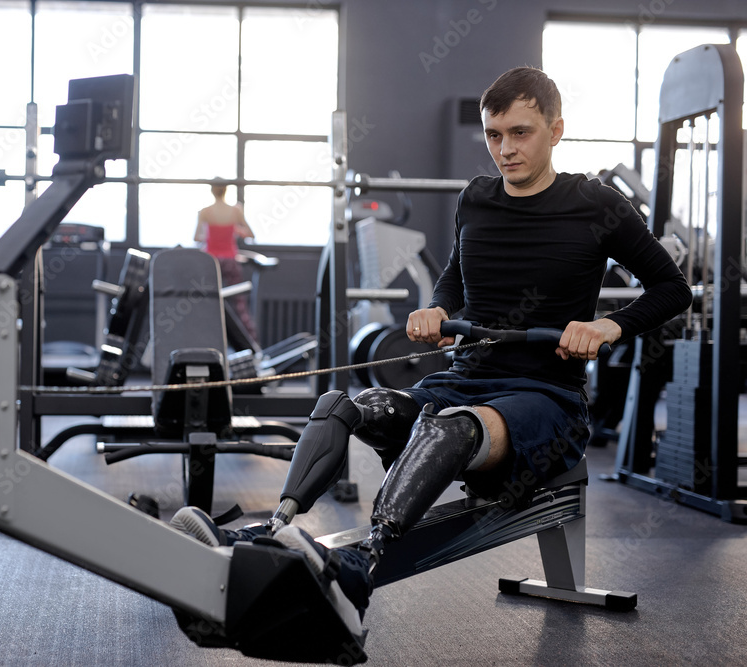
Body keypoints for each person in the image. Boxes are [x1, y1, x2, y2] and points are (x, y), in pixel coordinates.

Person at [172, 67, 692, 624]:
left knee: (448, 426)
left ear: (556, 129)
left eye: (520, 133)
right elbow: (454, 277)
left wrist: (608, 326)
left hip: (545, 399)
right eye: (494, 135)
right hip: (463, 379)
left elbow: (672, 289)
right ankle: (265, 532)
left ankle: (358, 572)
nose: (505, 150)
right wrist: (439, 310)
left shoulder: (597, 204)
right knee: (344, 405)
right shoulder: (477, 198)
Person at [194, 180, 258, 341]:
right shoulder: (235, 211)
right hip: (230, 261)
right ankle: (250, 343)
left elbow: (196, 238)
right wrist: (234, 229)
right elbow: (250, 234)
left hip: (211, 262)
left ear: (212, 191)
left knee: (205, 302)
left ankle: (204, 339)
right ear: (225, 190)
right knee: (239, 304)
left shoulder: (205, 212)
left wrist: (210, 235)